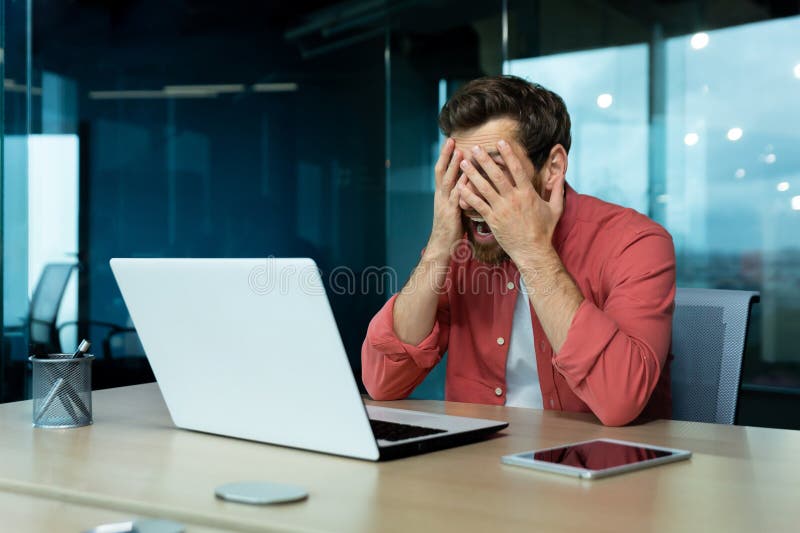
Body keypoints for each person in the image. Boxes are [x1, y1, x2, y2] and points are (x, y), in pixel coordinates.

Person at [362, 75, 676, 426]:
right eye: (461, 172)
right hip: (478, 464)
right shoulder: (461, 246)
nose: (471, 195)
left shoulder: (634, 242)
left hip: (598, 464)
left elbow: (619, 400)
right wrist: (438, 246)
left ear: (553, 168)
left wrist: (532, 251)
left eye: (492, 171)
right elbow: (383, 382)